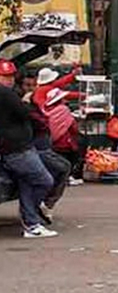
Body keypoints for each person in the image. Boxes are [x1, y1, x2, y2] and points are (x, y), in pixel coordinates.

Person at [0, 59, 58, 238]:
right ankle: (30, 219)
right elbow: (24, 112)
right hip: (17, 148)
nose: (9, 80)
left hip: (18, 146)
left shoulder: (9, 92)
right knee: (44, 180)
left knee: (27, 181)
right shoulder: (6, 94)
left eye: (10, 76)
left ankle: (31, 223)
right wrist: (26, 103)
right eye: (5, 76)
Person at [21, 71, 71, 224]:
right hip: (30, 148)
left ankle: (37, 210)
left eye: (32, 85)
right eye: (26, 85)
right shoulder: (25, 102)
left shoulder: (35, 100)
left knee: (52, 173)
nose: (30, 88)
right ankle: (35, 212)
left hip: (34, 147)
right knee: (43, 178)